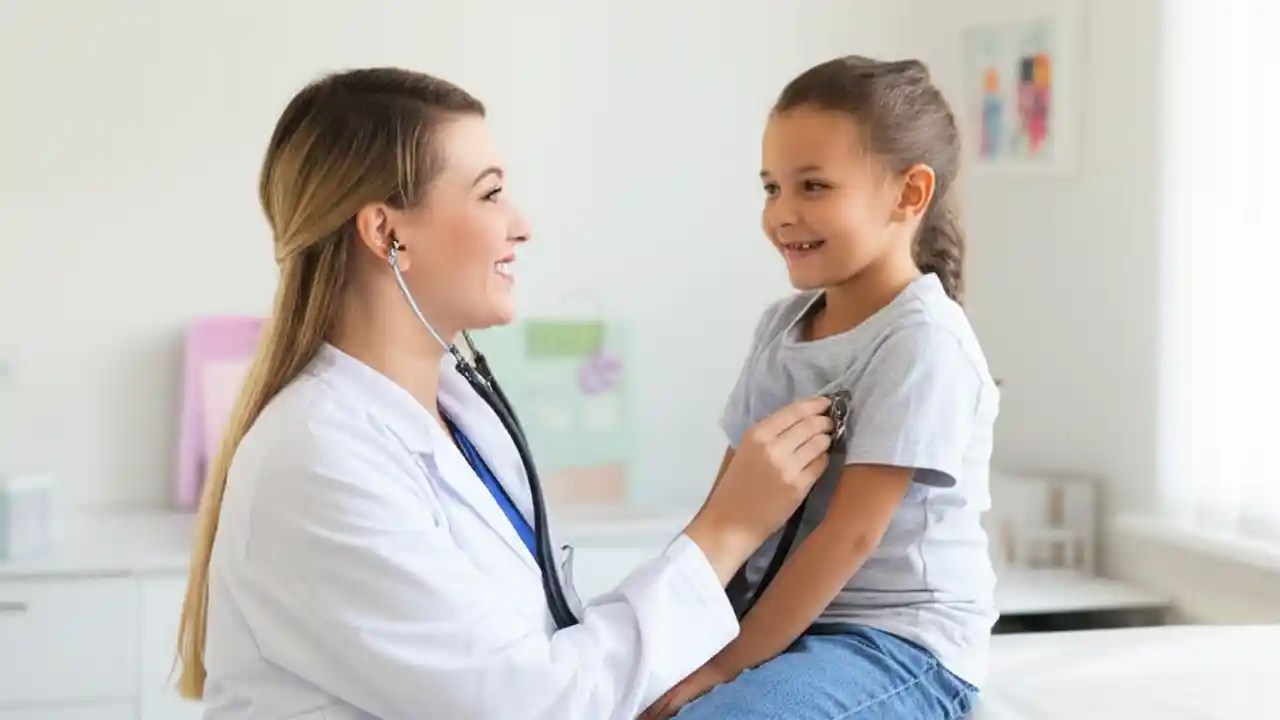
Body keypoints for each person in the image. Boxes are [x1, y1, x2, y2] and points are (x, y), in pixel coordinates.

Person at [173, 68, 837, 720]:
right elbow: (530, 703)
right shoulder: (317, 458)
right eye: (490, 195)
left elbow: (543, 648)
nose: (520, 227)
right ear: (387, 234)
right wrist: (727, 531)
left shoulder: (458, 417)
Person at [644, 56, 1000, 720]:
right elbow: (727, 511)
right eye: (770, 187)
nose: (782, 214)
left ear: (909, 194)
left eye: (813, 187)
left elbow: (848, 539)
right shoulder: (781, 329)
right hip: (776, 626)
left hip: (896, 646)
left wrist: (723, 666)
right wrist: (664, 638)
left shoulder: (921, 342)